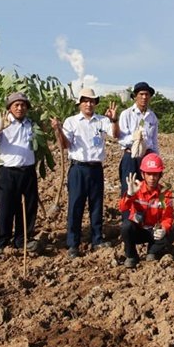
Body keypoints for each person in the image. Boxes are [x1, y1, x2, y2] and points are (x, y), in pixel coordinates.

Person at [51, 88, 118, 258]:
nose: (89, 104)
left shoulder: (102, 120)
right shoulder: (72, 121)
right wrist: (58, 130)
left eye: (92, 101)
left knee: (96, 205)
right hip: (78, 169)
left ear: (95, 103)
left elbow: (115, 134)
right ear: (79, 103)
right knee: (75, 206)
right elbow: (65, 145)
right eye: (85, 101)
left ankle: (97, 239)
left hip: (95, 168)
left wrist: (114, 119)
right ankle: (73, 243)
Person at [0, 92, 40, 256]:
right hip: (7, 172)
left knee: (28, 207)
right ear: (9, 108)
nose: (20, 108)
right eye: (16, 105)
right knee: (5, 207)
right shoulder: (1, 122)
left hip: (28, 171)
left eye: (23, 105)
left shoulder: (31, 124)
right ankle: (2, 241)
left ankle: (23, 239)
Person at [119, 153, 174, 268]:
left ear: (160, 175)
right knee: (126, 226)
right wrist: (129, 194)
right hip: (138, 230)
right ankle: (131, 255)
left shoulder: (165, 194)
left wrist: (164, 228)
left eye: (155, 174)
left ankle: (152, 252)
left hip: (154, 231)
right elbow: (123, 208)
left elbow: (167, 217)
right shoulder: (136, 189)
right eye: (149, 174)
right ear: (143, 174)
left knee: (170, 234)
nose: (152, 178)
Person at [118, 82, 160, 209]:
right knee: (129, 188)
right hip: (130, 156)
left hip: (146, 158)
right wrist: (134, 138)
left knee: (146, 190)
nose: (144, 97)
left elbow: (154, 140)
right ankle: (127, 221)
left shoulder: (152, 117)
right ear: (135, 96)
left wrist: (156, 158)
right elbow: (121, 138)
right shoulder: (126, 114)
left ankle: (143, 221)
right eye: (141, 94)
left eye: (147, 94)